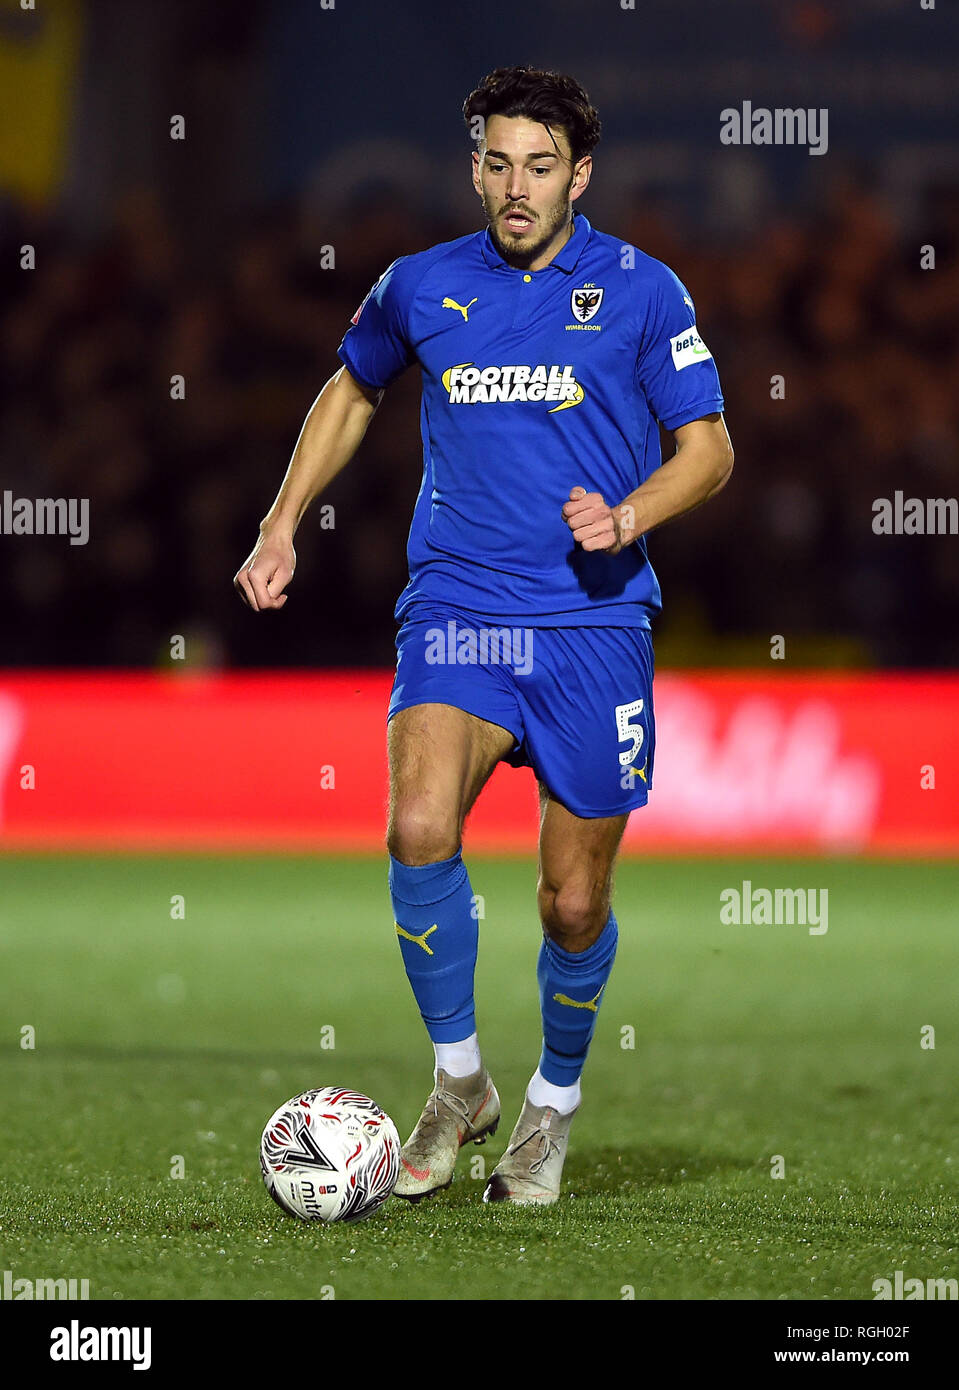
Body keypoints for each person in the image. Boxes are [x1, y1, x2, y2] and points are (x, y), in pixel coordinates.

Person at [234, 65, 733, 1205]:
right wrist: (280, 522)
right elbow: (350, 389)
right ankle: (459, 1080)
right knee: (417, 825)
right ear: (473, 168)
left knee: (570, 901)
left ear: (581, 176)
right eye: (497, 164)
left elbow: (708, 451)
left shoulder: (643, 290)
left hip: (593, 622)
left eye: (540, 167)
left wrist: (628, 516)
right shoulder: (419, 286)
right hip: (456, 609)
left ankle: (550, 1104)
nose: (516, 188)